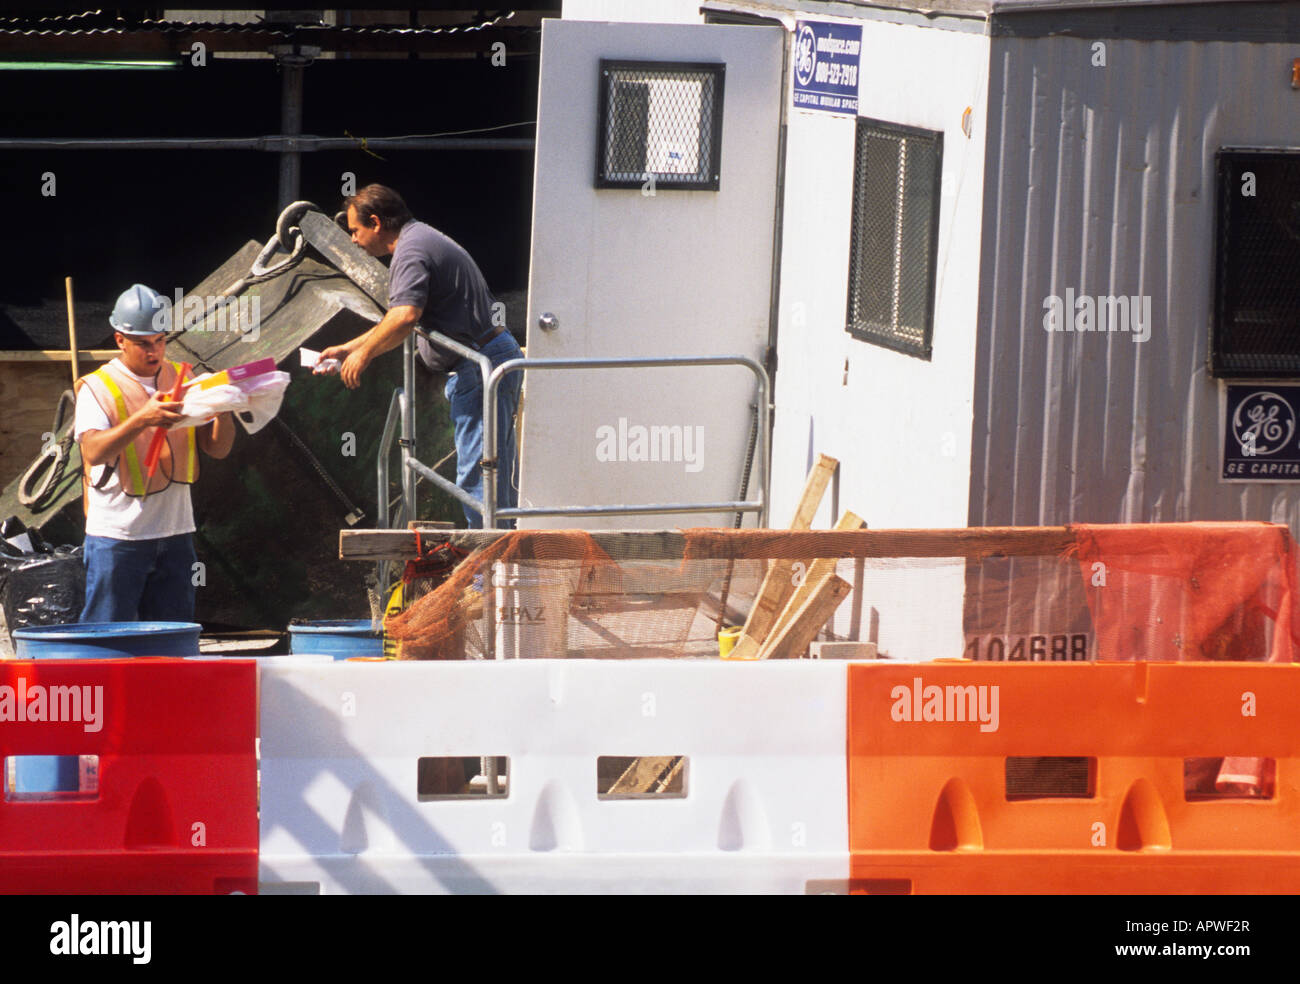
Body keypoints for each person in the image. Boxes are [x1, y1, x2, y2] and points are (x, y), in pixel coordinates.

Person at [320, 184, 523, 528]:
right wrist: (348, 348)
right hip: (489, 359)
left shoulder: (410, 252)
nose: (353, 240)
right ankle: (502, 571)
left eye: (355, 231)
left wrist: (364, 356)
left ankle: (485, 576)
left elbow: (405, 316)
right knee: (493, 480)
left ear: (375, 222)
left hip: (479, 365)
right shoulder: (419, 238)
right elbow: (396, 317)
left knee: (478, 483)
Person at [73, 284, 236, 622]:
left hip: (176, 535)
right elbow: (92, 452)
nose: (155, 351)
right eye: (144, 344)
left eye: (160, 340)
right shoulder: (98, 387)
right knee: (107, 643)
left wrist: (226, 408)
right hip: (118, 538)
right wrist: (142, 419)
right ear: (120, 340)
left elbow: (217, 450)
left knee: (170, 646)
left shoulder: (183, 377)